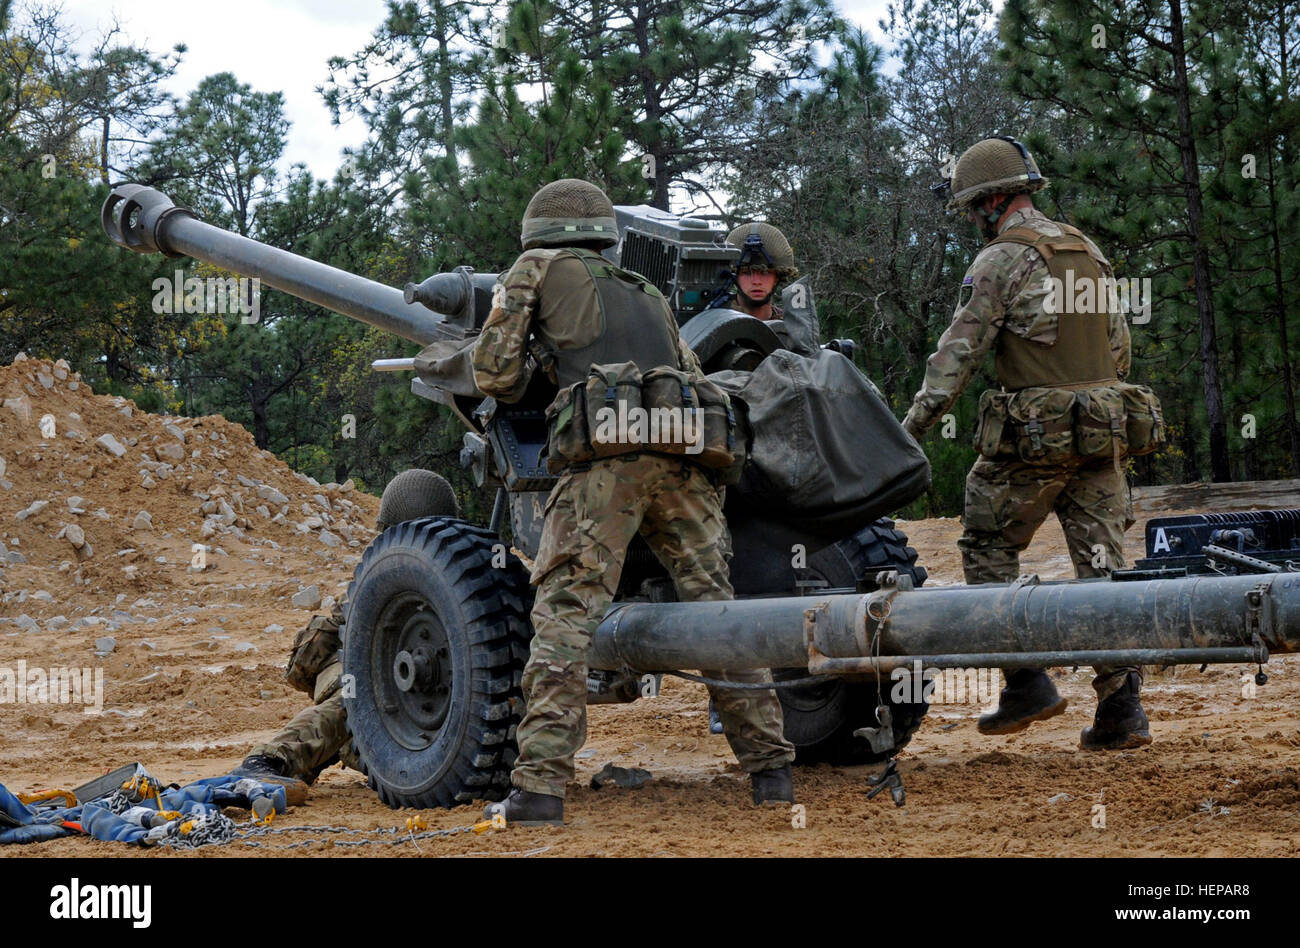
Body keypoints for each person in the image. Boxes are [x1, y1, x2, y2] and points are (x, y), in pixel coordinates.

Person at [473, 179, 796, 826]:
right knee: (717, 614)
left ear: (540, 231)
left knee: (565, 614)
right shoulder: (644, 290)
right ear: (602, 234)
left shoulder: (534, 268)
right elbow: (688, 377)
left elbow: (493, 373)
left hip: (605, 460)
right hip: (681, 456)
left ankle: (539, 788)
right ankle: (772, 773)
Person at [903, 136, 1151, 751]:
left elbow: (956, 356)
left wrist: (910, 429)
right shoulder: (1087, 252)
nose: (968, 219)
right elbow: (1119, 348)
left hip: (1034, 444)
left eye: (969, 208)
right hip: (1102, 435)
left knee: (987, 543)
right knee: (1104, 571)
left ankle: (1025, 681)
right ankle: (1122, 711)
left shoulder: (999, 262)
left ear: (990, 202)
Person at [229, 469, 460, 789]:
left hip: (418, 714)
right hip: (385, 697)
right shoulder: (395, 576)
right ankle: (276, 758)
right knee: (358, 692)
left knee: (364, 692)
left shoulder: (426, 575)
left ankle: (285, 757)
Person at [723, 222, 819, 356]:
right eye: (746, 272)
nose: (756, 281)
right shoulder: (717, 323)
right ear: (734, 276)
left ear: (778, 276)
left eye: (765, 272)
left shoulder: (792, 327)